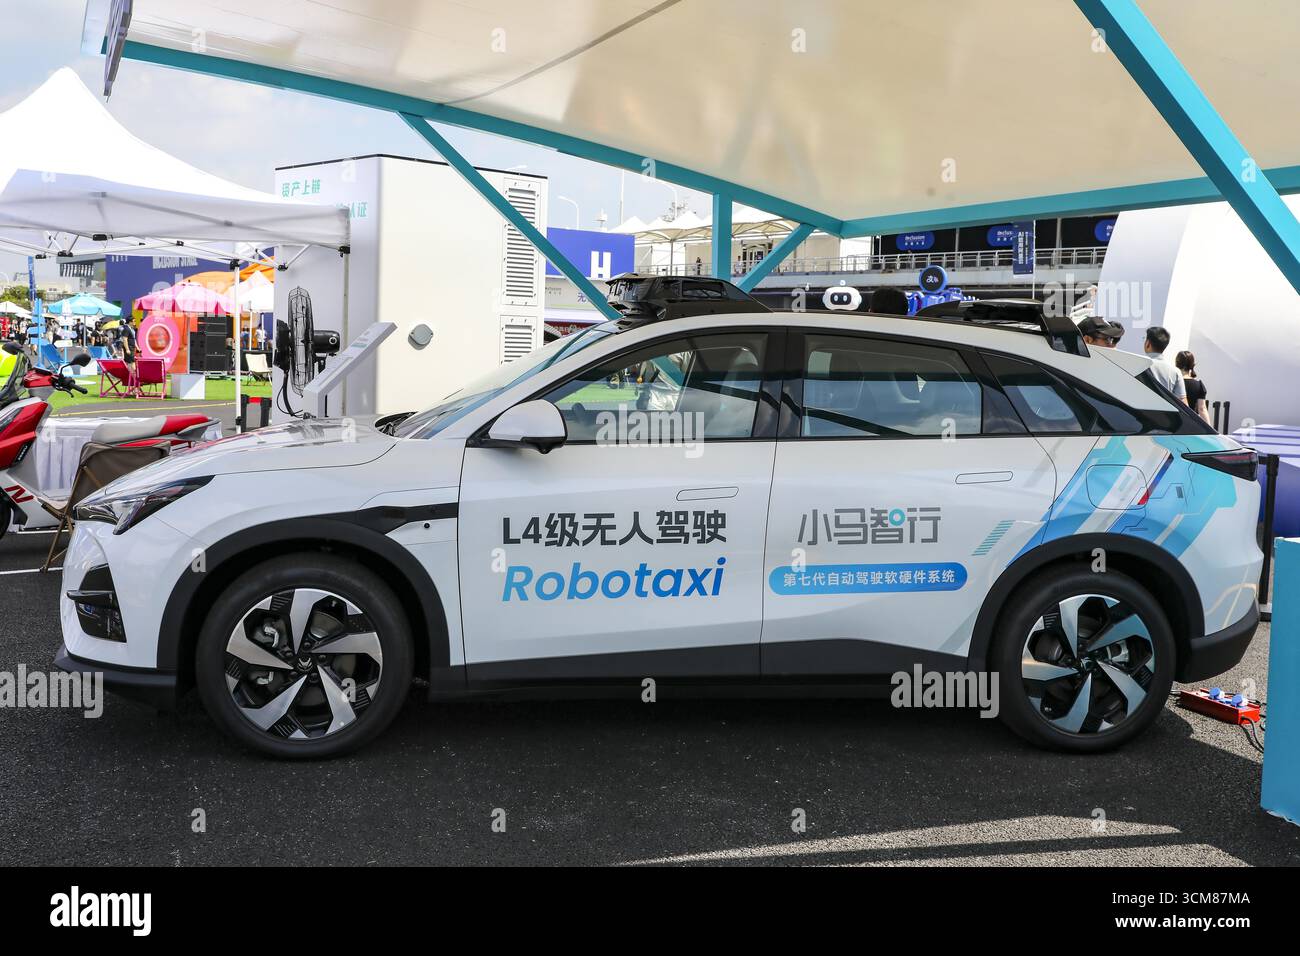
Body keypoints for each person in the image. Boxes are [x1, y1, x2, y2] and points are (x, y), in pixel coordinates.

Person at [1143, 326, 1186, 403]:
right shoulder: (1175, 371)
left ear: (1148, 343)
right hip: (1164, 414)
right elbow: (1182, 403)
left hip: (1137, 413)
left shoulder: (1138, 364)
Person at [1176, 350, 1211, 423]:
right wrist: (1210, 430)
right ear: (1192, 365)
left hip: (1174, 423)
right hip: (1191, 424)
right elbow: (1202, 409)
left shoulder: (1173, 382)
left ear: (1177, 364)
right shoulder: (1199, 385)